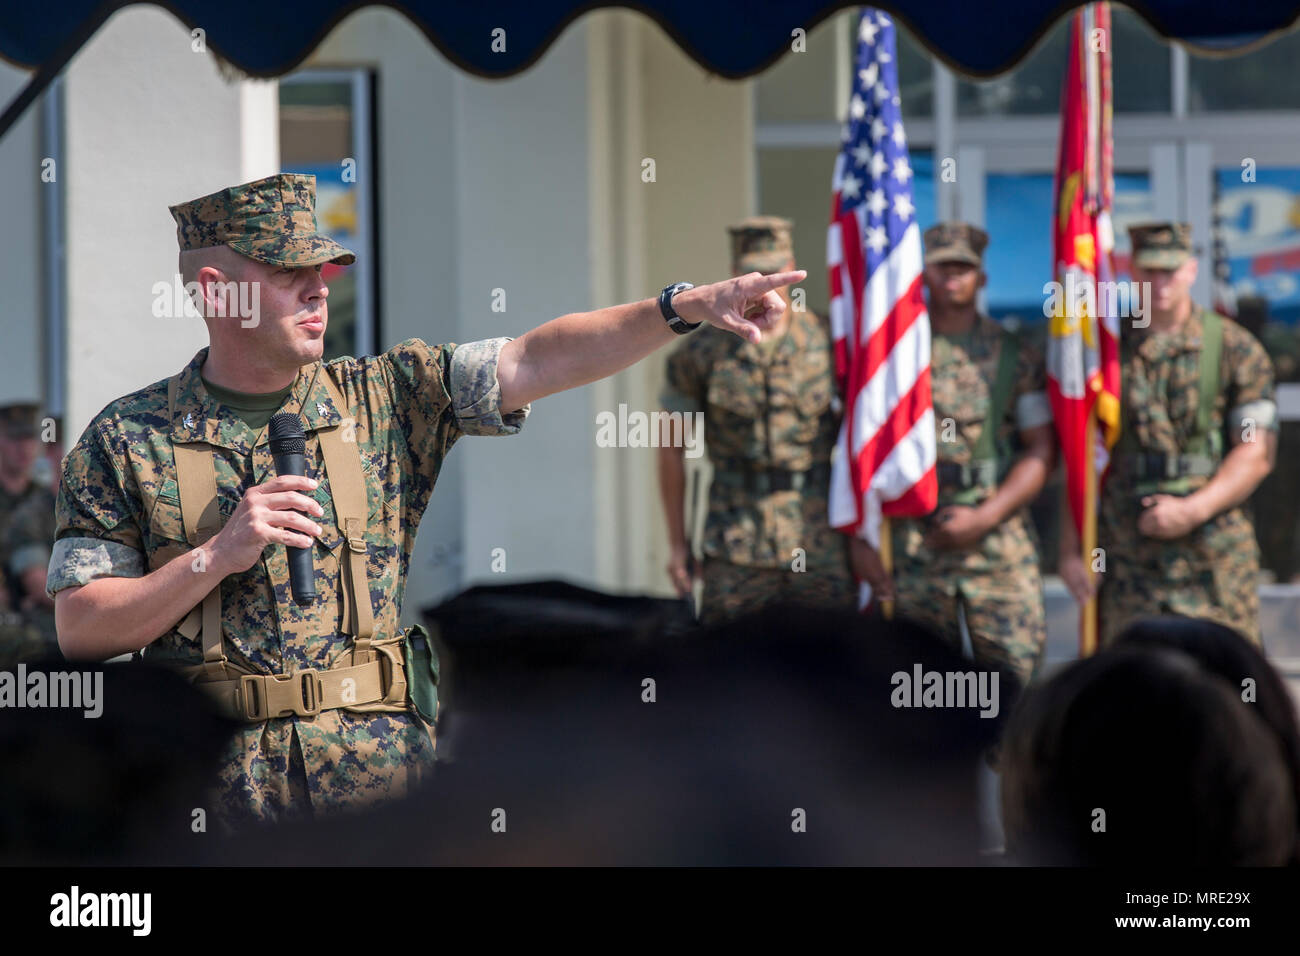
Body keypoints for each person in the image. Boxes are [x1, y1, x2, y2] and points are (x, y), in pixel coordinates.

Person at [48, 172, 802, 830]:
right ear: (217, 290)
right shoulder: (127, 438)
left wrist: (685, 306)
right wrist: (214, 556)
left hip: (372, 793)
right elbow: (82, 631)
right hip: (209, 794)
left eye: (324, 268)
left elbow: (537, 358)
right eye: (288, 271)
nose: (319, 288)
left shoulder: (384, 398)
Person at [850, 223, 1056, 689]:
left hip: (998, 543)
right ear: (925, 274)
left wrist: (985, 517)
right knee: (920, 691)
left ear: (982, 278)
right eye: (943, 267)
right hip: (914, 542)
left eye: (963, 268)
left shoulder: (1016, 353)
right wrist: (861, 534)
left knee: (1011, 689)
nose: (952, 278)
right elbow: (861, 447)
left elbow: (1040, 449)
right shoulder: (896, 352)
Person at [1058, 222, 1277, 646]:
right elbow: (1081, 451)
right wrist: (1072, 549)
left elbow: (1254, 452)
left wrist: (1192, 510)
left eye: (1170, 271)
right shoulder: (1104, 351)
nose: (1160, 283)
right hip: (1126, 558)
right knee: (1132, 676)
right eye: (1150, 271)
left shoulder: (1234, 348)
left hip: (1212, 556)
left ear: (1191, 270)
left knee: (1221, 675)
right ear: (1131, 271)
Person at [658, 217, 854, 623]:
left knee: (827, 657)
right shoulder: (701, 352)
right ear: (735, 273)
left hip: (817, 540)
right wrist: (678, 546)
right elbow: (670, 449)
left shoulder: (829, 341)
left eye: (774, 271)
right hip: (734, 544)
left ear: (792, 267)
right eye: (755, 274)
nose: (765, 285)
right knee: (733, 659)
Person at [0, 402, 58, 666]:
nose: (23, 448)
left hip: (39, 613)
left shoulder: (49, 501)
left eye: (29, 438)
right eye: (14, 439)